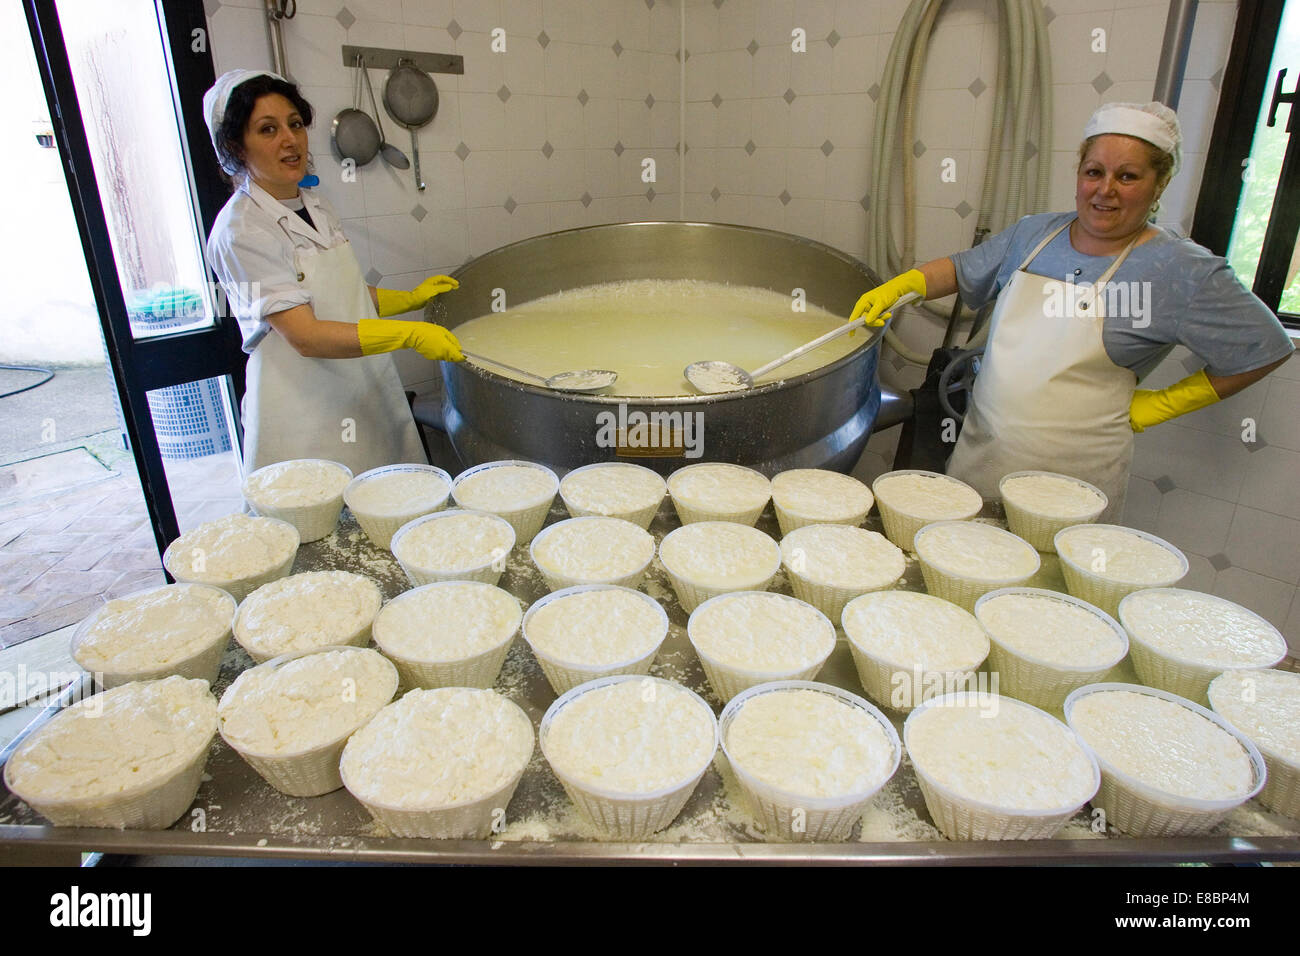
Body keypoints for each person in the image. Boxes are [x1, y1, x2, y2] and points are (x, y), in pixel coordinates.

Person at [850, 101, 1294, 521]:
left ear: (1160, 184)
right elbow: (962, 269)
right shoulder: (1034, 234)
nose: (1105, 190)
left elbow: (1264, 346)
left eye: (1128, 177)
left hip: (1073, 486)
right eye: (1094, 172)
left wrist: (1159, 405)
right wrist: (903, 287)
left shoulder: (1178, 268)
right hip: (979, 459)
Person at [202, 69, 465, 476]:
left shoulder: (316, 204)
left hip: (357, 388)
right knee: (321, 519)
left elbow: (342, 290)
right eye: (267, 130)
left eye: (294, 124)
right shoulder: (241, 230)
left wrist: (410, 298)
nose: (289, 140)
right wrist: (409, 334)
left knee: (388, 502)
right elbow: (304, 335)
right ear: (236, 146)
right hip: (303, 409)